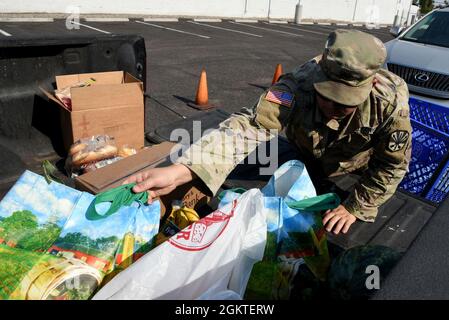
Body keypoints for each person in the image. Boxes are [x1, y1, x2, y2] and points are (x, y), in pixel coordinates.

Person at [124, 29, 412, 235]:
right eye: (328, 96)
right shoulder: (296, 84)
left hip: (353, 170)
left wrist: (356, 207)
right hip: (305, 154)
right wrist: (181, 170)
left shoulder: (389, 102)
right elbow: (250, 125)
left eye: (346, 102)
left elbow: (392, 164)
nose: (334, 107)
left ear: (369, 87)